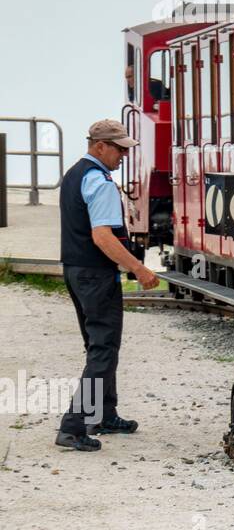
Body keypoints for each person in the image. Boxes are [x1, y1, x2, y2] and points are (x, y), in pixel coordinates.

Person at [55, 119, 160, 451]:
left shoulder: (74, 174)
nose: (123, 156)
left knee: (98, 347)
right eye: (119, 149)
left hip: (75, 269)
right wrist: (139, 269)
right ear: (100, 146)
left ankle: (104, 414)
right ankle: (73, 427)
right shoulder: (100, 182)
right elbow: (103, 237)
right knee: (103, 349)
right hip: (96, 275)